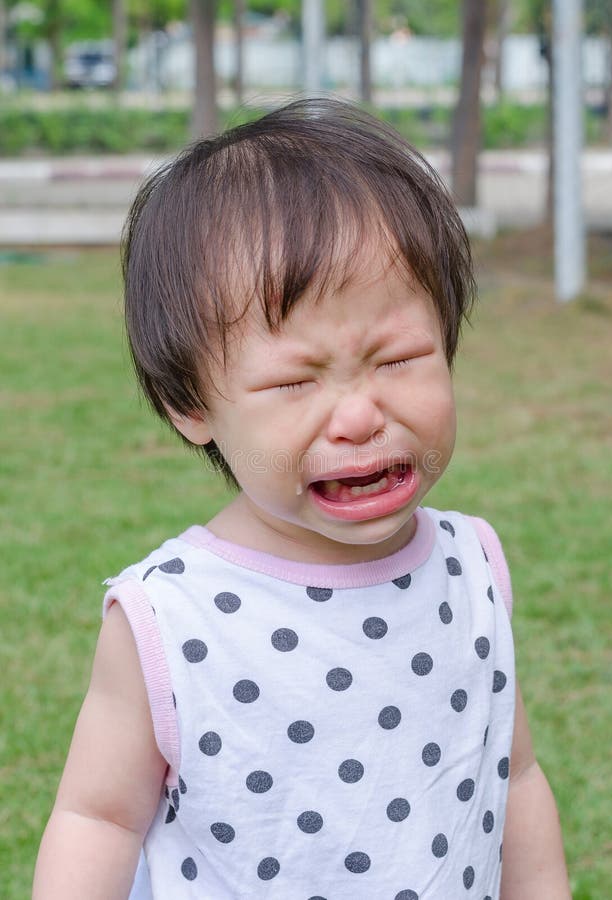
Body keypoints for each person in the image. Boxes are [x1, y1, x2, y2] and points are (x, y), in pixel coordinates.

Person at [34, 99, 571, 899]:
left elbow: (514, 779)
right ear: (192, 407)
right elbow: (98, 822)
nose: (361, 416)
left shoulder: (473, 568)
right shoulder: (172, 618)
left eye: (399, 359)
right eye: (294, 380)